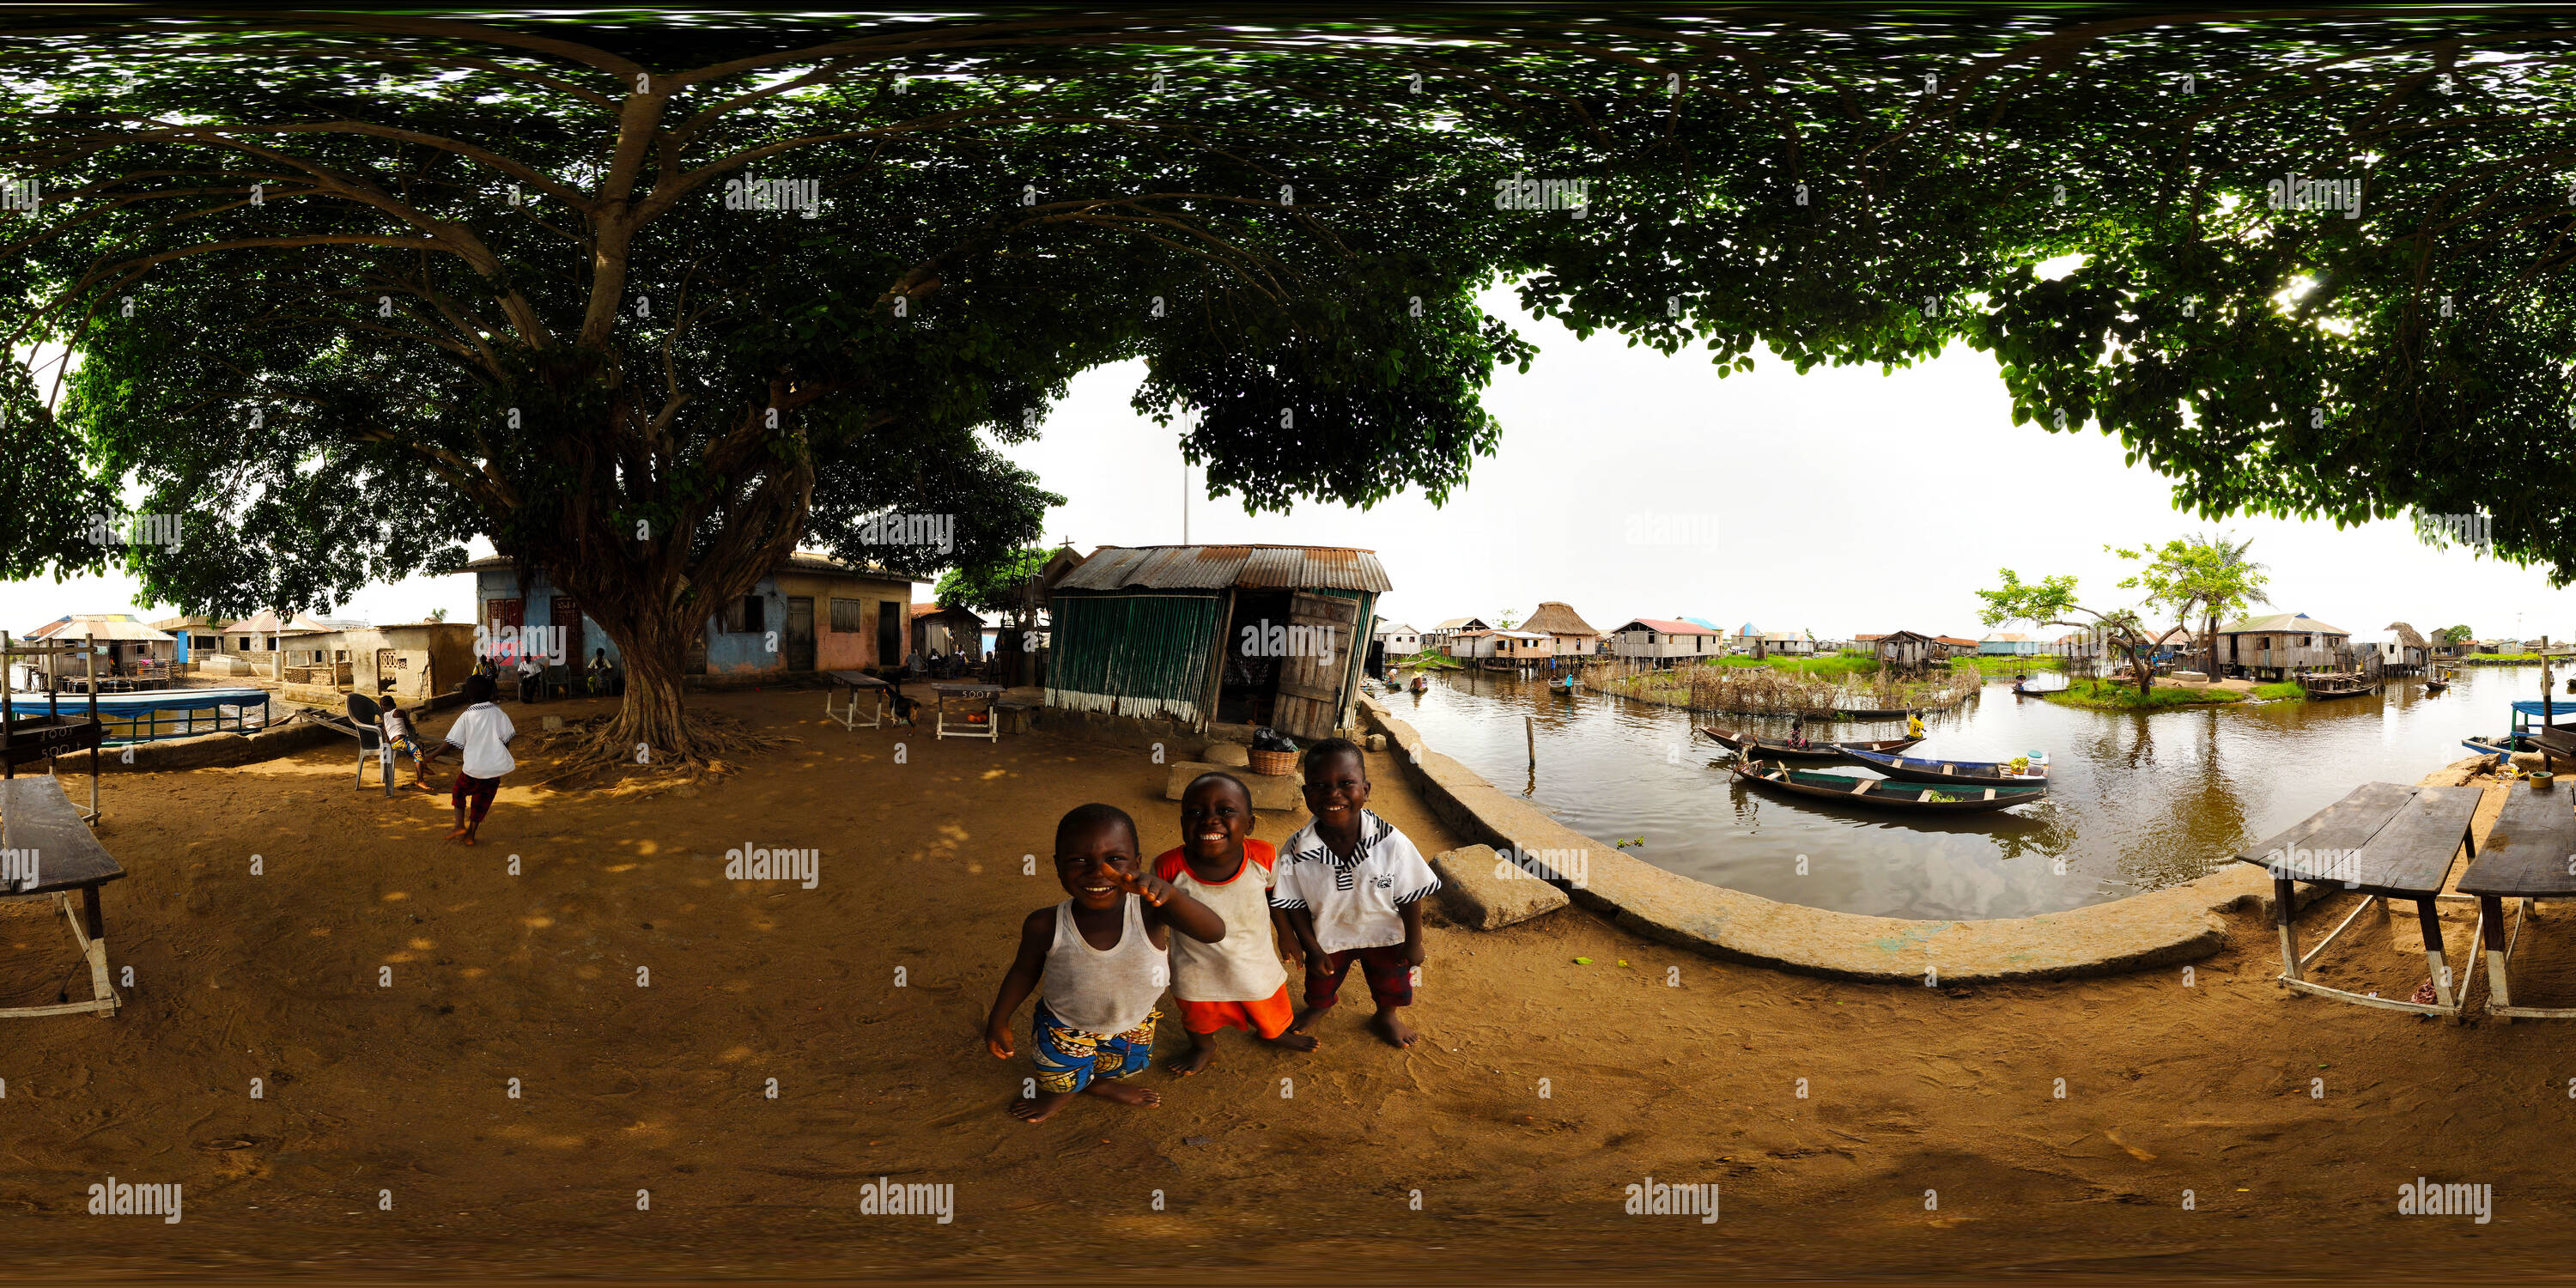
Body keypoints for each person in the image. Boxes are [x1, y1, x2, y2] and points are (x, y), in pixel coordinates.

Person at [985, 803, 1226, 1122]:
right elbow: (1024, 971)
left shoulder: (1151, 911)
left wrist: (1172, 895)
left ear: (1137, 864)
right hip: (1065, 1026)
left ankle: (1098, 1084)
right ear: (1058, 867)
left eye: (1114, 859)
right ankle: (1063, 1091)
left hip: (1134, 1023)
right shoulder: (1045, 924)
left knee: (1123, 1065)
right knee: (1058, 1075)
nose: (1097, 871)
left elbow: (1213, 932)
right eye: (1079, 860)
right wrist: (998, 1020)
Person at [1275, 738, 1442, 1049]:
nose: (1333, 794)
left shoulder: (1392, 842)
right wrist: (1311, 947)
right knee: (1319, 980)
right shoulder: (1297, 848)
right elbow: (1293, 903)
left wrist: (1414, 942)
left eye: (1346, 783)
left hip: (1385, 935)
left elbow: (1410, 894)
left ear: (1365, 790)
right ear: (1306, 793)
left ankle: (1386, 1015)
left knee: (1391, 982)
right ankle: (1320, 1005)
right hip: (1328, 936)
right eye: (1319, 785)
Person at [1153, 773, 1318, 1075]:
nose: (1209, 820)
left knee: (1267, 1000)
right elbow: (1156, 915)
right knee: (1196, 1010)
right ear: (1182, 824)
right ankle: (1203, 1046)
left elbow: (1273, 896)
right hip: (1195, 963)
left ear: (1249, 824)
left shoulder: (1263, 856)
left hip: (1253, 958)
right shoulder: (1168, 867)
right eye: (1195, 812)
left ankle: (1274, 1033)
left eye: (1225, 811)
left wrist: (1286, 935)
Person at [441, 673, 518, 846]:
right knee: (481, 802)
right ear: (491, 693)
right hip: (494, 769)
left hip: (473, 769)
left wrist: (432, 755)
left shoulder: (467, 716)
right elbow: (507, 740)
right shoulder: (499, 713)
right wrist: (499, 758)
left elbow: (450, 743)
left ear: (467, 696)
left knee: (459, 792)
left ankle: (459, 825)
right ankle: (471, 834)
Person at [377, 698, 441, 793]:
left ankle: (423, 766)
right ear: (394, 705)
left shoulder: (385, 717)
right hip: (401, 741)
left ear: (382, 708)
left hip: (394, 743)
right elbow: (408, 725)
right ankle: (420, 780)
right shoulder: (398, 712)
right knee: (418, 752)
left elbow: (385, 732)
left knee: (419, 745)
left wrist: (388, 745)